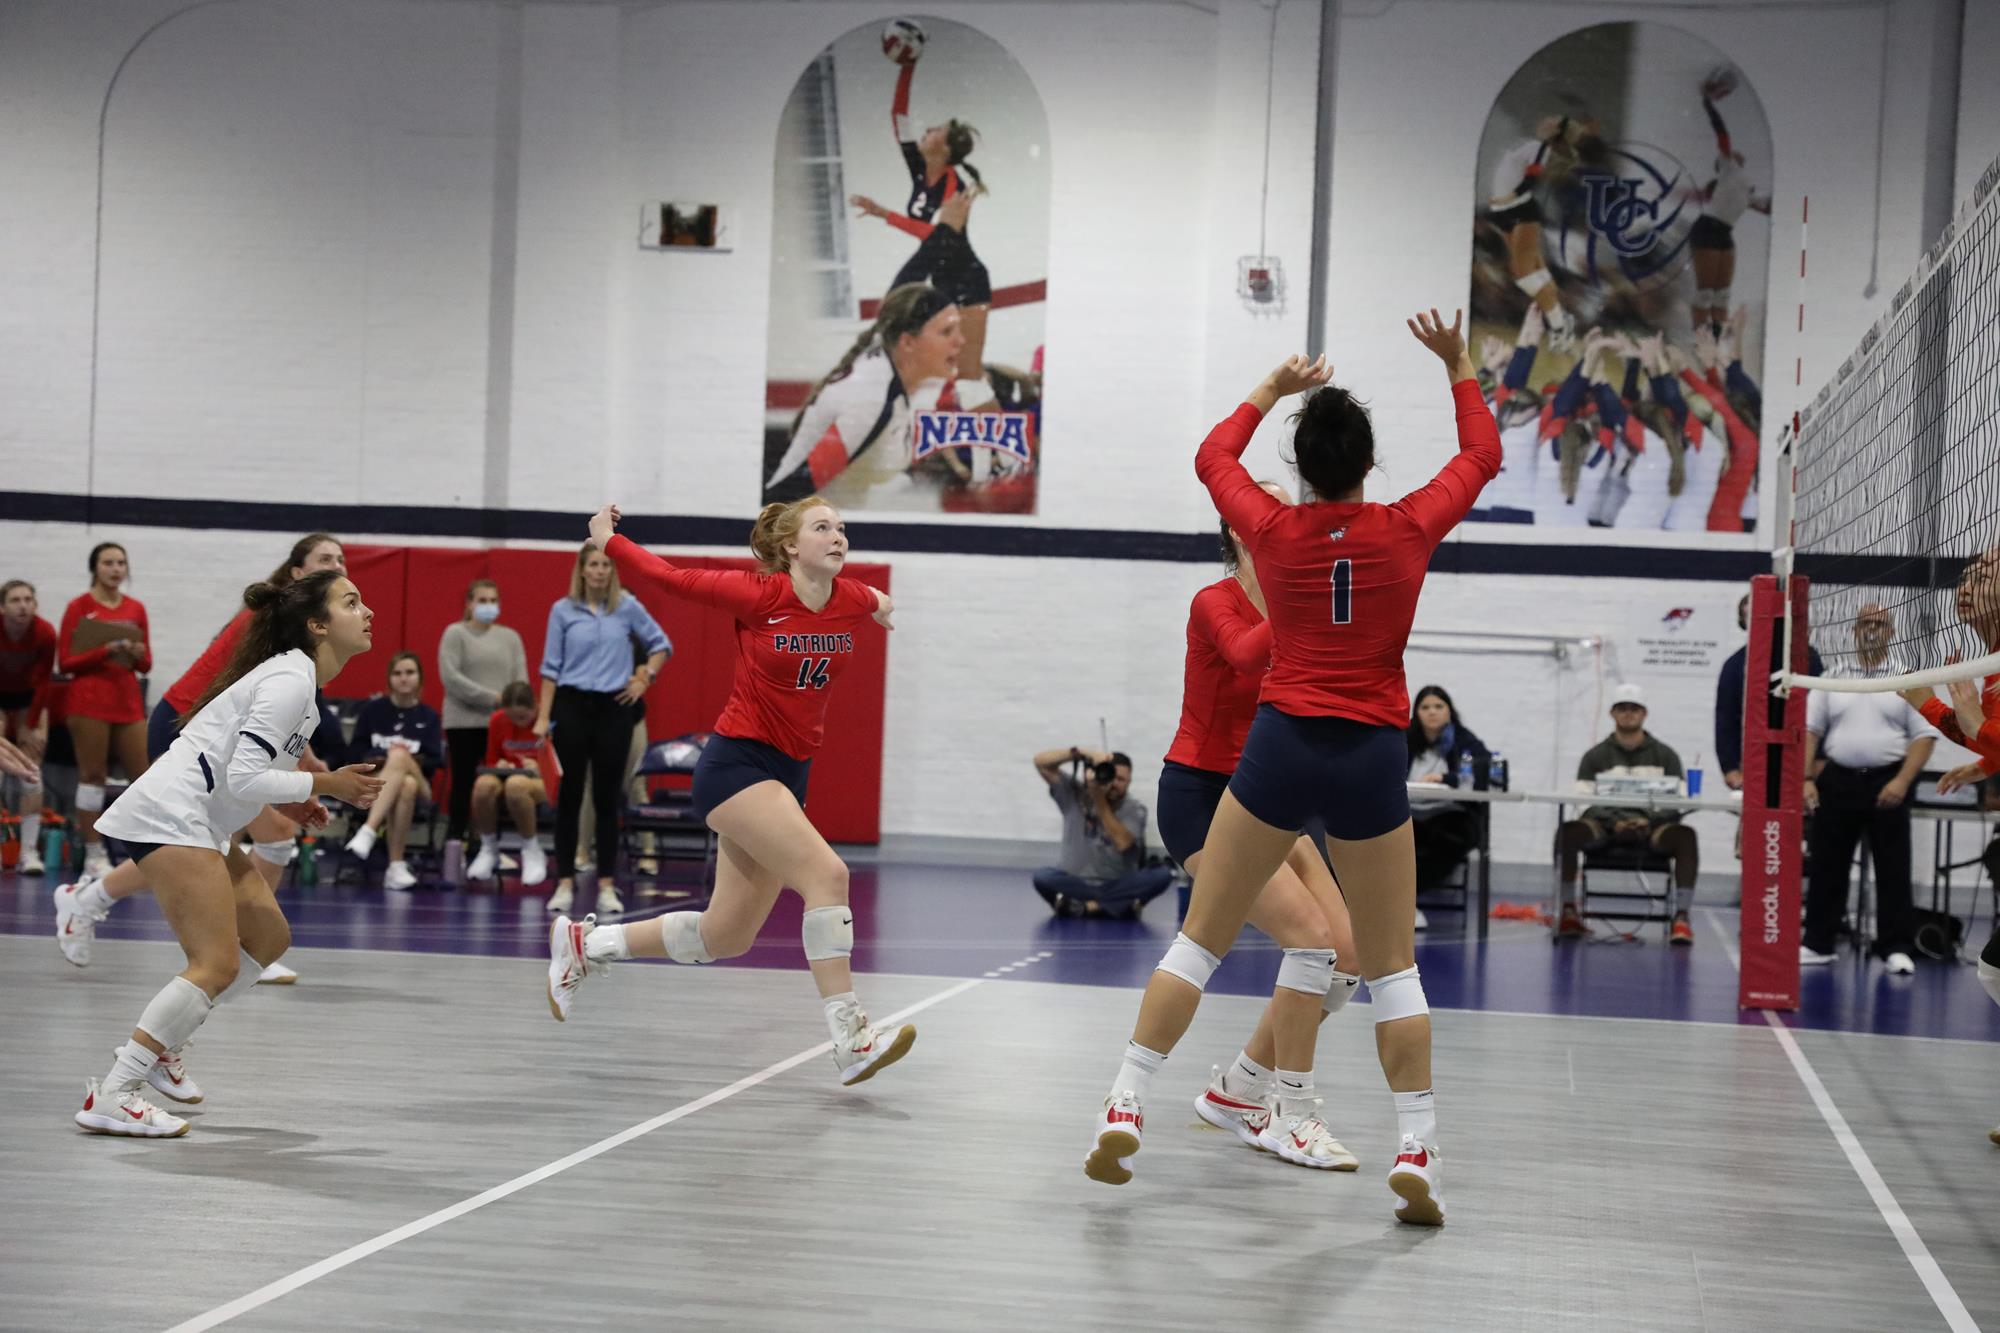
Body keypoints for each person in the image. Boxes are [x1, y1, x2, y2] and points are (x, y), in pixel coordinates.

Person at [1083, 311, 1501, 1231]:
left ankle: (1125, 1100)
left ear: (1302, 468)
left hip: (1280, 746)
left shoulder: (1270, 530)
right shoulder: (1407, 527)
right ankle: (1417, 1147)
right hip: (1369, 753)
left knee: (1199, 941)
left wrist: (1271, 387)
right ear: (1369, 463)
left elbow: (1210, 456)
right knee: (1391, 968)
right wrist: (1458, 364)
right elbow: (1482, 454)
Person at [546, 497, 917, 1089]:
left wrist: (882, 606)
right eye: (823, 527)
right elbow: (669, 577)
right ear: (791, 547)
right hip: (737, 766)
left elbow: (875, 599)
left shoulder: (850, 597)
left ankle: (587, 944)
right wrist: (605, 540)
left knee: (725, 936)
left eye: (842, 528)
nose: (838, 536)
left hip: (790, 773)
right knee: (828, 875)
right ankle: (851, 1039)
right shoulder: (759, 595)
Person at [72, 571, 384, 1136]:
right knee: (216, 964)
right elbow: (243, 777)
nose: (368, 613)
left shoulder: (299, 682)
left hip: (201, 817)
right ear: (317, 625)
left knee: (268, 939)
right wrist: (326, 783)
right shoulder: (290, 679)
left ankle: (166, 1044)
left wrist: (296, 799)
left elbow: (246, 771)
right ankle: (115, 1093)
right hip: (173, 811)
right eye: (351, 602)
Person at [1160, 485, 1362, 1170]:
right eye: (1267, 511)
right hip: (1199, 795)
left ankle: (1238, 1089)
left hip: (1268, 793)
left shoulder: (1301, 608)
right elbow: (1246, 655)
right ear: (1238, 529)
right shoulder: (1214, 600)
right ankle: (1291, 1114)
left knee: (1348, 956)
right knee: (1310, 942)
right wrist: (1300, 602)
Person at [54, 534, 346, 981]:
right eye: (326, 559)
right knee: (224, 838)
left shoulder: (299, 627)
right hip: (186, 723)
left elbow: (279, 708)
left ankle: (89, 900)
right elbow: (263, 703)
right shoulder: (273, 619)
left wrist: (302, 756)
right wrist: (306, 765)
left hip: (216, 730)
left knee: (232, 840)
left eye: (342, 559)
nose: (338, 565)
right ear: (297, 572)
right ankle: (242, 944)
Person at [1896, 546, 2000, 1144]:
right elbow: (1983, 728)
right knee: (1995, 969)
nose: (1966, 583)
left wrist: (1976, 728)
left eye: (1983, 575)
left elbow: (1983, 726)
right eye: (1965, 574)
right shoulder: (1990, 661)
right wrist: (1983, 757)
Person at [848, 54, 994, 406]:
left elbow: (933, 234)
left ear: (946, 149)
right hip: (941, 280)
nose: (927, 130)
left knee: (969, 381)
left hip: (969, 280)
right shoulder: (919, 168)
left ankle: (1003, 440)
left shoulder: (955, 186)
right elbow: (899, 118)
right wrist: (908, 66)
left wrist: (884, 213)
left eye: (936, 130)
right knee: (944, 376)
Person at [534, 542, 671, 916]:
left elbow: (661, 644)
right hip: (571, 705)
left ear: (613, 571)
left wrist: (645, 677)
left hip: (614, 708)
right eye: (593, 564)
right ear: (582, 569)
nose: (599, 571)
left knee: (608, 798)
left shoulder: (626, 607)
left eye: (606, 565)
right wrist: (543, 718)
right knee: (570, 797)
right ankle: (564, 882)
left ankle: (607, 885)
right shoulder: (562, 611)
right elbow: (550, 668)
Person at [1801, 604, 1936, 972]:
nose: (1871, 630)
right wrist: (1806, 779)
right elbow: (1810, 732)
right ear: (1854, 631)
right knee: (1827, 864)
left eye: (1879, 624)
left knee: (1893, 868)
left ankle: (1895, 946)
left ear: (1891, 633)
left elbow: (1924, 736)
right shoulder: (1833, 677)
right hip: (1838, 780)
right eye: (1865, 624)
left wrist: (1902, 781)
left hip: (1887, 780)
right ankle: (1818, 942)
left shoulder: (1905, 678)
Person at [764, 283, 965, 507]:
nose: (960, 341)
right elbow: (788, 495)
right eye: (947, 332)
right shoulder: (870, 400)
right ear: (908, 342)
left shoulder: (889, 375)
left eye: (958, 330)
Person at [1554, 683, 1700, 944]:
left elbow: (1675, 803)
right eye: (1622, 708)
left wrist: (1648, 821)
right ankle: (1567, 911)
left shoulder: (1666, 756)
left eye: (1634, 708)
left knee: (1685, 835)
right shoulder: (1594, 757)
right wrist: (1614, 823)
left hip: (1652, 829)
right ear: (1612, 713)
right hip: (1605, 828)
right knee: (1568, 832)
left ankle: (1681, 916)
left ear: (1644, 713)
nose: (1628, 713)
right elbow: (1584, 803)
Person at [59, 542, 151, 876]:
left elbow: (146, 664)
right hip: (88, 701)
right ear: (94, 568)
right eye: (108, 562)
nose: (115, 569)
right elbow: (66, 662)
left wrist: (137, 653)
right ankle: (94, 852)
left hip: (126, 700)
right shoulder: (79, 607)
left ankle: (145, 852)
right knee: (92, 777)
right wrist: (106, 649)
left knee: (143, 778)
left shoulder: (136, 608)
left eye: (121, 563)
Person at [1028, 748, 1174, 918]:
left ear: (1129, 781)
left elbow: (1123, 843)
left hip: (1118, 883)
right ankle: (1117, 905)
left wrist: (1099, 799)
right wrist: (1082, 752)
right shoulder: (1075, 795)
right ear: (1101, 774)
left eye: (1121, 779)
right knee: (1043, 876)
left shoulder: (1135, 809)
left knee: (1162, 875)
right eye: (1112, 777)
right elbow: (1041, 763)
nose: (1114, 784)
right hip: (1076, 883)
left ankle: (1083, 906)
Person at [438, 578, 527, 849]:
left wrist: (514, 704)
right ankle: (456, 840)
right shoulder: (456, 633)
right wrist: (494, 698)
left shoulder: (510, 638)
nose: (488, 605)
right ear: (469, 604)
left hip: (500, 724)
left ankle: (488, 842)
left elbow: (520, 680)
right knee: (464, 782)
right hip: (463, 722)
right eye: (482, 600)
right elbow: (451, 678)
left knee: (496, 783)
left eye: (493, 601)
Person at [343, 652, 445, 890]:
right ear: (389, 679)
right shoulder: (372, 711)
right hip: (376, 781)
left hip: (422, 787)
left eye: (410, 672)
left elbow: (435, 761)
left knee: (400, 758)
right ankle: (396, 866)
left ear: (419, 678)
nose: (404, 678)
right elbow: (355, 752)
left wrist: (403, 758)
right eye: (397, 673)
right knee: (405, 785)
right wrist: (378, 756)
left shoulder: (429, 717)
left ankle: (368, 830)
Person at [1716, 590, 1823, 791]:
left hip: (1800, 760)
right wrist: (1729, 767)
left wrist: (1819, 758)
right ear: (1743, 622)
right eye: (1749, 617)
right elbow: (1725, 719)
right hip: (1754, 761)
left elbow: (1820, 713)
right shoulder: (1734, 666)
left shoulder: (1807, 658)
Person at [1690, 72, 1771, 335]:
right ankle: (1701, 341)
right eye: (1730, 152)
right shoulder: (1728, 166)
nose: (1735, 151)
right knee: (1705, 293)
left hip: (1724, 232)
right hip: (1708, 229)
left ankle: (1716, 342)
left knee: (1721, 294)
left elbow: (1767, 207)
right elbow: (1722, 133)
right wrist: (1708, 104)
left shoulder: (1745, 189)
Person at [1406, 684, 1492, 922]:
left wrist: (1447, 778)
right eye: (1425, 707)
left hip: (1449, 813)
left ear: (1449, 711)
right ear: (1416, 712)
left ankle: (1405, 899)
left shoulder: (1463, 739)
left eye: (1438, 706)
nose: (1432, 712)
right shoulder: (1404, 737)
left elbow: (1483, 768)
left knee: (1450, 842)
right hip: (1408, 812)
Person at [466, 681, 553, 884]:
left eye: (523, 717)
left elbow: (561, 766)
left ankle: (531, 849)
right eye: (511, 718)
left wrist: (540, 767)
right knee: (483, 786)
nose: (518, 723)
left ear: (535, 706)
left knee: (516, 785)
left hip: (542, 781)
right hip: (507, 776)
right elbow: (491, 759)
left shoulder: (547, 720)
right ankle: (489, 848)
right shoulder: (497, 720)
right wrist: (500, 764)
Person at [0, 579, 56, 875]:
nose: (22, 606)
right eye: (15, 600)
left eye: (27, 600)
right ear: (2, 607)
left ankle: (29, 851)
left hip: (28, 698)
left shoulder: (45, 632)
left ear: (35, 605)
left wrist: (31, 723)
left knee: (31, 768)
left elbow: (44, 680)